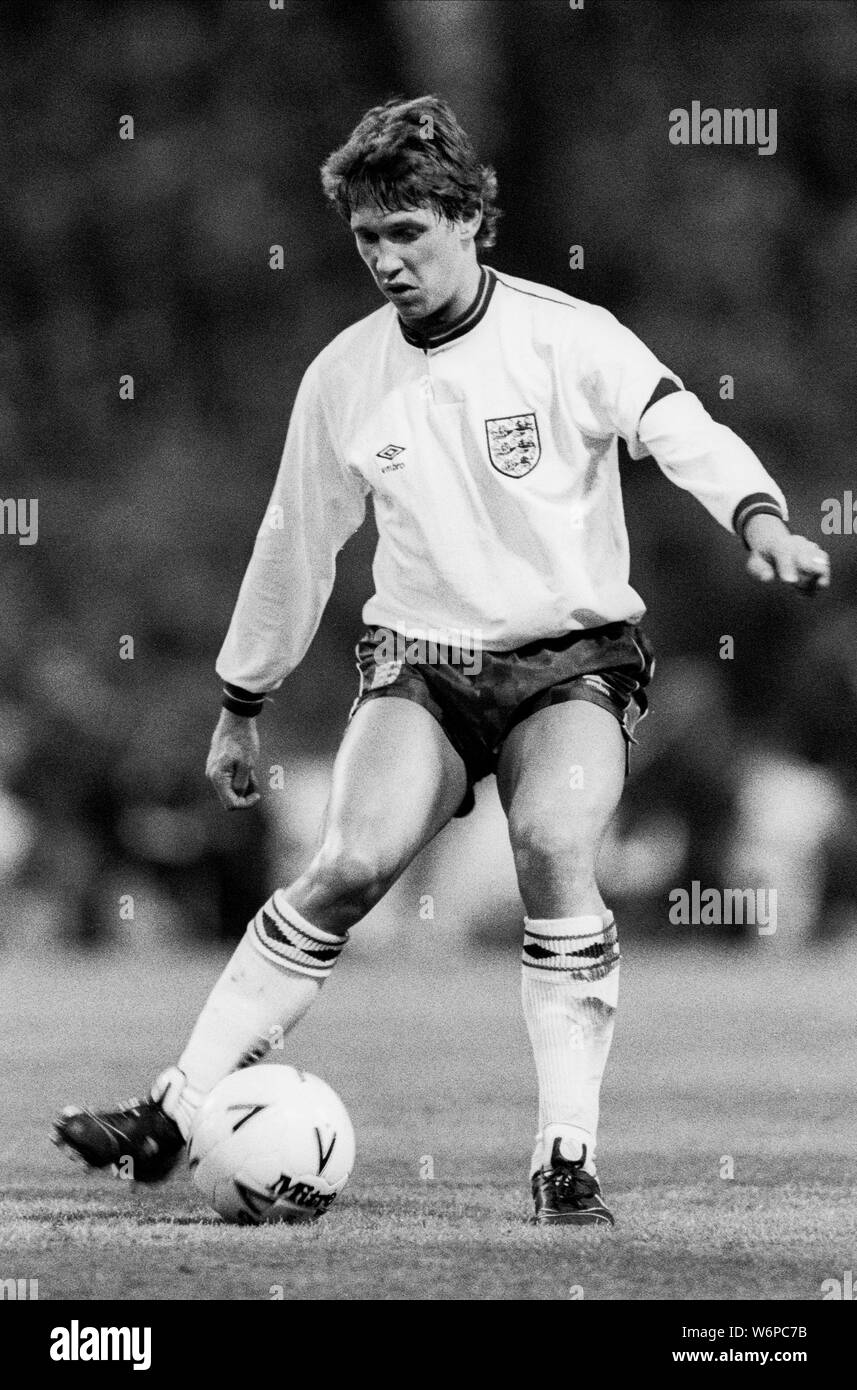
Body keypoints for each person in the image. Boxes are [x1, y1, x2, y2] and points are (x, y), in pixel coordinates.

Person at [54, 96, 829, 1226]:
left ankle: (563, 1155)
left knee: (551, 842)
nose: (384, 258)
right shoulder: (342, 378)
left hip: (571, 660)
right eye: (367, 236)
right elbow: (295, 541)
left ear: (470, 220)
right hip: (420, 660)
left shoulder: (567, 336)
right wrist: (242, 699)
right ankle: (173, 1111)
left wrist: (758, 519)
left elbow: (678, 426)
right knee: (349, 864)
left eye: (408, 230)